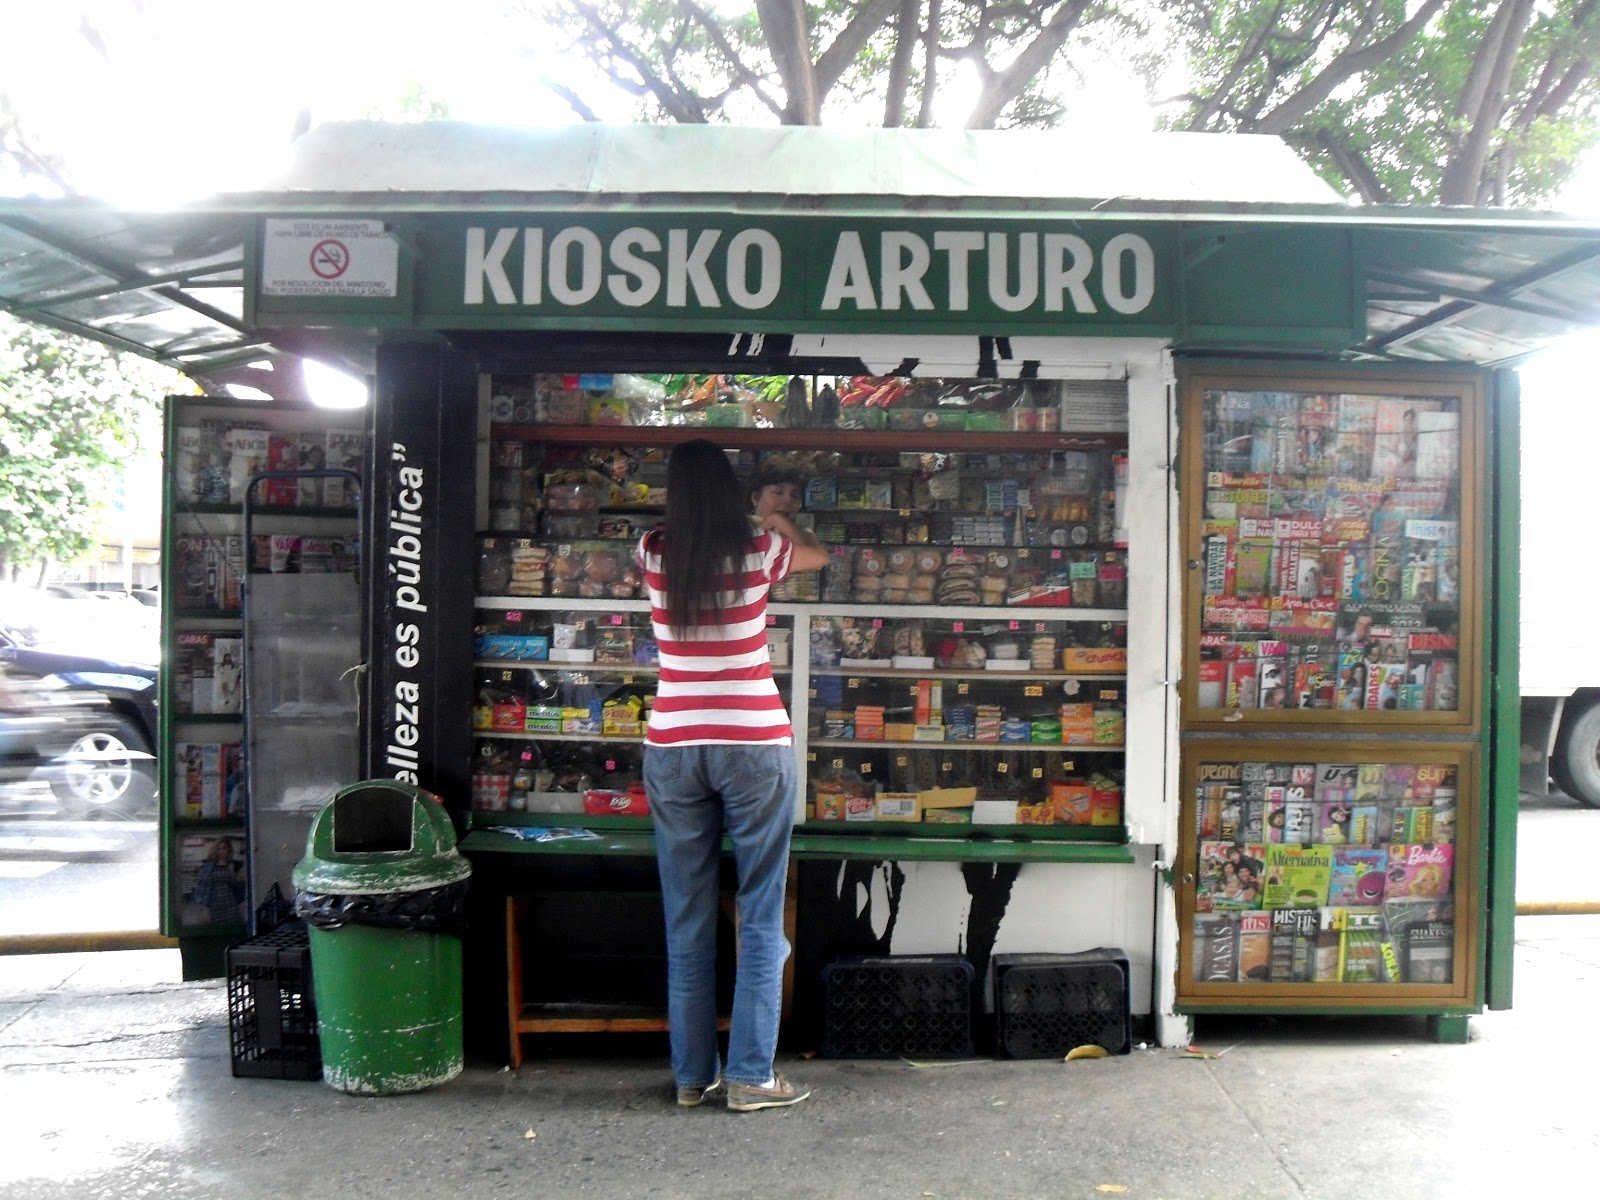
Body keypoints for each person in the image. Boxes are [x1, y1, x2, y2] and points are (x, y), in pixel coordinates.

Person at [637, 440, 828, 1112]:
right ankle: (751, 1076)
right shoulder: (762, 553)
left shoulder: (653, 550)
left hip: (674, 745)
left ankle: (692, 1078)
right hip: (752, 742)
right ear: (732, 491)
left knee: (686, 920)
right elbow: (818, 556)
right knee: (759, 911)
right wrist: (779, 520)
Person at [189, 837, 245, 925]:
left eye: (224, 848)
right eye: (219, 848)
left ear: (228, 850)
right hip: (214, 905)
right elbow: (203, 886)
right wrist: (204, 907)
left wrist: (233, 875)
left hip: (230, 904)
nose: (221, 851)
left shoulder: (234, 866)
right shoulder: (209, 866)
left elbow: (239, 887)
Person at [747, 459, 806, 523]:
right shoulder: (739, 530)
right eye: (778, 492)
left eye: (795, 496)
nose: (788, 500)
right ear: (755, 498)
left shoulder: (802, 532)